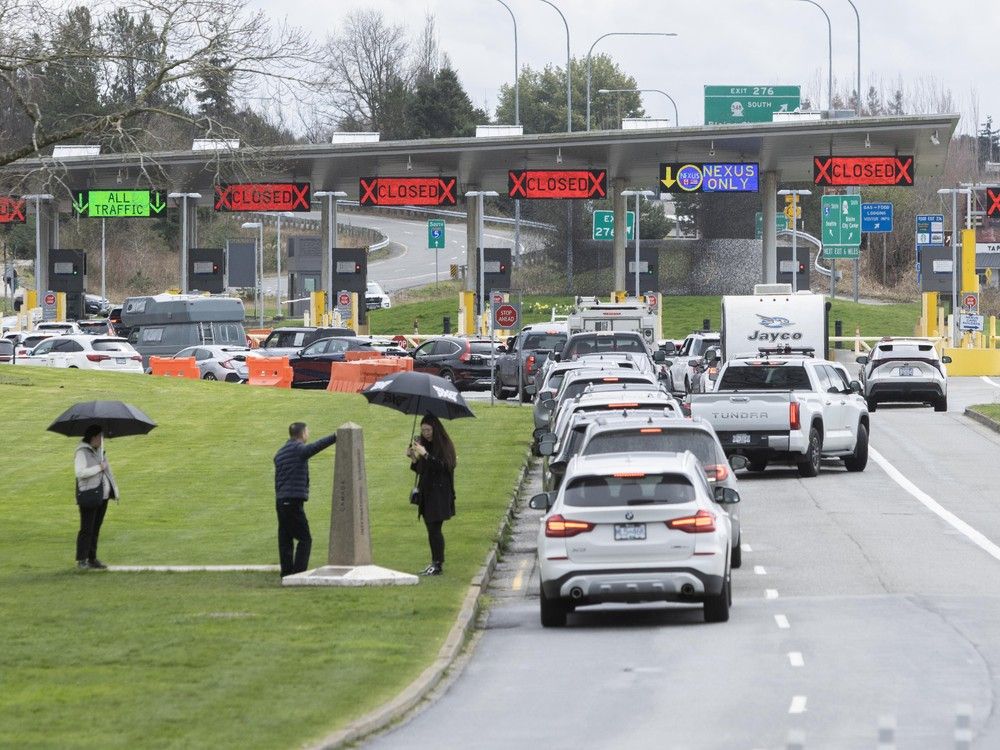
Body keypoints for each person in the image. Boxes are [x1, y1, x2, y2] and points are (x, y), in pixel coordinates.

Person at [273, 422, 336, 577]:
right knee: (305, 539)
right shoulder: (298, 449)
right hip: (293, 501)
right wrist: (335, 437)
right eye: (307, 431)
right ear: (302, 434)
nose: (308, 434)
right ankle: (298, 574)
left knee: (285, 538)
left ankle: (287, 574)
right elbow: (314, 447)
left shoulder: (280, 453)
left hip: (281, 501)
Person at [407, 414, 457, 576]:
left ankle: (438, 564)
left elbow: (444, 467)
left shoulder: (444, 445)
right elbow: (422, 470)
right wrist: (414, 458)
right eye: (423, 430)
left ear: (435, 429)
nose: (426, 433)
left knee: (435, 529)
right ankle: (435, 562)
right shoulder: (425, 444)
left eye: (428, 430)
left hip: (440, 494)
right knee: (431, 529)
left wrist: (426, 454)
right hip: (427, 493)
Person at [74, 425, 119, 570]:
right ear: (93, 437)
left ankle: (92, 558)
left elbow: (108, 473)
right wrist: (99, 467)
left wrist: (115, 491)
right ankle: (82, 560)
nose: (102, 439)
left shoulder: (100, 452)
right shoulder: (82, 452)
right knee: (87, 529)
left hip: (102, 496)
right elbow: (80, 472)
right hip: (89, 495)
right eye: (100, 437)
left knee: (96, 528)